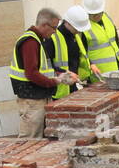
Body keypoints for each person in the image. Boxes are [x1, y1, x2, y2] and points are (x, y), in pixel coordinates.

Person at [9, 9, 78, 138]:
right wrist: (55, 81)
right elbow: (31, 73)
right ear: (44, 25)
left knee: (35, 139)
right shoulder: (30, 41)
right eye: (54, 27)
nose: (55, 31)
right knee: (30, 140)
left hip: (36, 97)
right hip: (32, 99)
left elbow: (41, 70)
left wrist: (60, 75)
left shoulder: (37, 40)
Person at [82, 0, 119, 75]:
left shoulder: (107, 18)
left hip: (117, 69)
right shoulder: (83, 26)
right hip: (98, 76)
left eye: (97, 14)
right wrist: (91, 65)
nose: (95, 17)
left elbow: (116, 41)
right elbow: (82, 53)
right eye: (92, 15)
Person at [58, 4, 93, 87]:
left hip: (72, 83)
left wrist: (91, 64)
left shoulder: (75, 34)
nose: (78, 31)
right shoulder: (56, 37)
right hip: (60, 87)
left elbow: (81, 54)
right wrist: (67, 74)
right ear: (68, 23)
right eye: (77, 28)